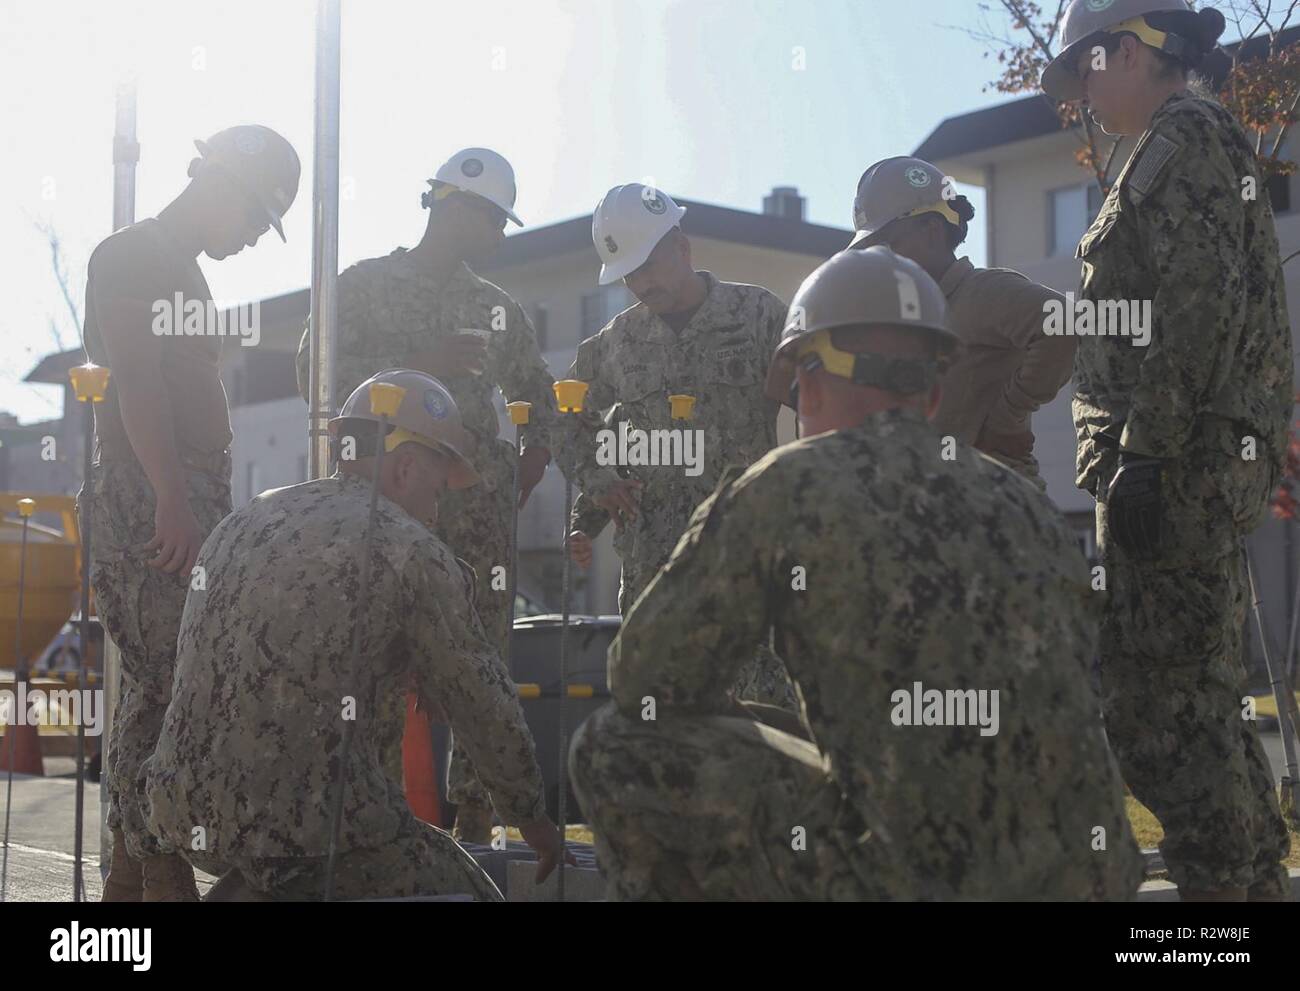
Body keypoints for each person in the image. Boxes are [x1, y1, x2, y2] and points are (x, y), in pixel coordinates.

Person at [569, 247, 1142, 901]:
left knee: (612, 743)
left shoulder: (786, 486)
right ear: (933, 391)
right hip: (1084, 879)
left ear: (806, 382)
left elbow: (645, 676)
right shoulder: (1026, 505)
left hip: (910, 877)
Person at [1040, 0, 1294, 901]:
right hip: (1180, 465)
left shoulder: (1181, 140)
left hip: (1171, 473)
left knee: (1162, 718)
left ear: (1127, 50)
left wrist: (1143, 452)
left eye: (1083, 70)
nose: (1079, 93)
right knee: (1201, 714)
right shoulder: (1175, 146)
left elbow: (1199, 305)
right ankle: (1249, 891)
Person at [142, 370, 564, 901]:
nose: (436, 511)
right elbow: (484, 704)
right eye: (437, 490)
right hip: (308, 824)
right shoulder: (408, 546)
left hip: (184, 807)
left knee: (284, 864)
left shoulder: (247, 519)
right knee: (469, 892)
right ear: (407, 467)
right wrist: (532, 818)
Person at [295, 147, 561, 842]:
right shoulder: (364, 287)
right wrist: (418, 365)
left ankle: (474, 815)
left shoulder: (494, 307)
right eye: (494, 220)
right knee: (374, 642)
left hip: (473, 506)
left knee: (479, 655)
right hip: (382, 501)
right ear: (455, 208)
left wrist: (522, 470)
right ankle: (370, 810)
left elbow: (543, 395)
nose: (501, 236)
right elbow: (314, 377)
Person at [82, 124, 301, 901]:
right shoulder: (136, 252)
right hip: (152, 495)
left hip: (183, 493)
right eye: (253, 220)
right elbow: (137, 379)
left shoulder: (184, 269)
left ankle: (128, 890)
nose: (248, 241)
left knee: (154, 694)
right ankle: (157, 874)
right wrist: (171, 497)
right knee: (183, 691)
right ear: (225, 185)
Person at [567, 182, 794, 707]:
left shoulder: (759, 316)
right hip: (653, 566)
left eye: (649, 265)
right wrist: (594, 496)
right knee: (658, 714)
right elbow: (567, 418)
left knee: (765, 713)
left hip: (748, 554)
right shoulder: (612, 346)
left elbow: (818, 404)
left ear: (682, 247)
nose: (641, 284)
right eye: (629, 275)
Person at [848, 156, 1072, 486]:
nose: (882, 258)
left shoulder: (982, 291)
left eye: (890, 243)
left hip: (992, 496)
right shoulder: (909, 316)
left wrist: (1008, 418)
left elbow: (1064, 321)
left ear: (932, 229)